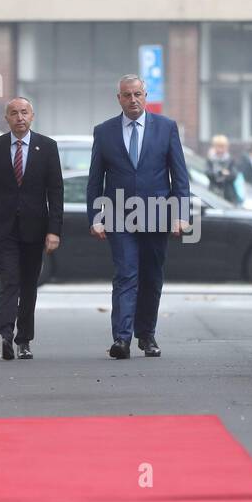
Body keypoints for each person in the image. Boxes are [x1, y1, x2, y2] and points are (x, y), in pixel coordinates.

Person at [86, 74, 189, 358]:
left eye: (138, 94)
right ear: (118, 98)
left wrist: (181, 215)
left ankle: (147, 335)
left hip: (157, 214)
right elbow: (95, 179)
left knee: (151, 277)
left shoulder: (166, 128)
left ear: (145, 95)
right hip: (119, 216)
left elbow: (179, 176)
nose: (133, 100)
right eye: (127, 95)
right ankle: (121, 339)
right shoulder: (104, 131)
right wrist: (95, 216)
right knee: (126, 275)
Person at [0, 97, 63, 360]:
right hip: (3, 228)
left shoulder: (47, 147)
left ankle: (23, 340)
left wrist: (54, 230)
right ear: (7, 118)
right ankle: (0, 339)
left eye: (24, 112)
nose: (19, 117)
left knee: (28, 284)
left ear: (32, 116)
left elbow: (55, 191)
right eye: (14, 113)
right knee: (9, 281)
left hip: (35, 228)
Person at [206, 134, 241, 203]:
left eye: (222, 147)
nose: (220, 149)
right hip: (213, 192)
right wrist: (220, 173)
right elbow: (208, 173)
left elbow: (234, 175)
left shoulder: (230, 160)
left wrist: (225, 175)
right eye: (218, 146)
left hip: (228, 194)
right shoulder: (210, 160)